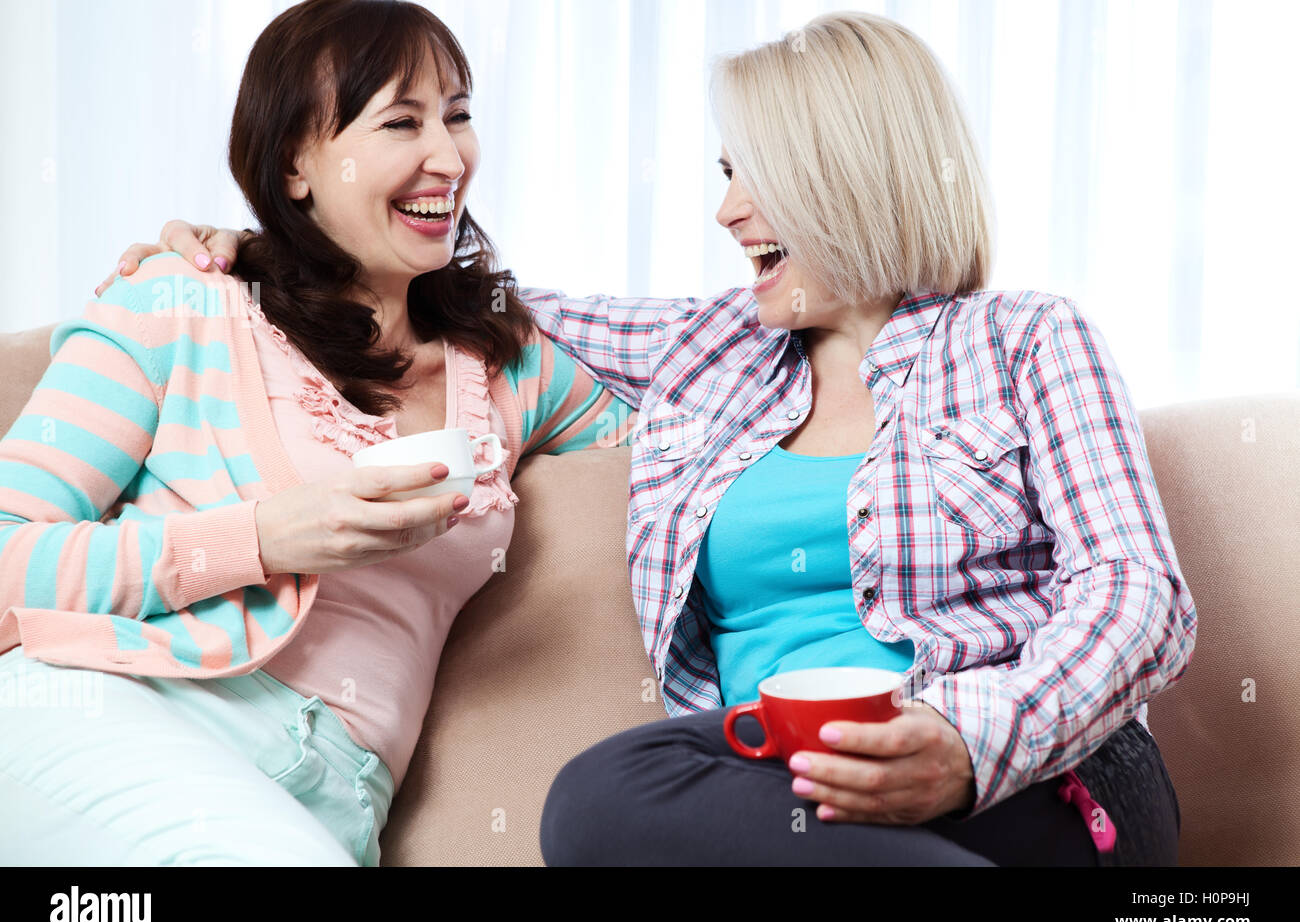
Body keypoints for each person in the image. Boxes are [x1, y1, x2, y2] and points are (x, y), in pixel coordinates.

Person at [100, 11, 1194, 866]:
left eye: (752, 175)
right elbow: (470, 296)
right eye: (724, 175)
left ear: (850, 175)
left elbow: (1137, 590)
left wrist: (964, 743)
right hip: (779, 791)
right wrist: (266, 249)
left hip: (1034, 782)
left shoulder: (1023, 338)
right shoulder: (708, 353)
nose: (726, 213)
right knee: (603, 795)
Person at [0, 0, 635, 866]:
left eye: (458, 115)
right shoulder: (180, 304)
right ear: (297, 160)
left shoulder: (507, 363)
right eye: (401, 122)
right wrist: (262, 538)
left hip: (330, 794)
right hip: (115, 707)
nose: (449, 158)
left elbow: (693, 413)